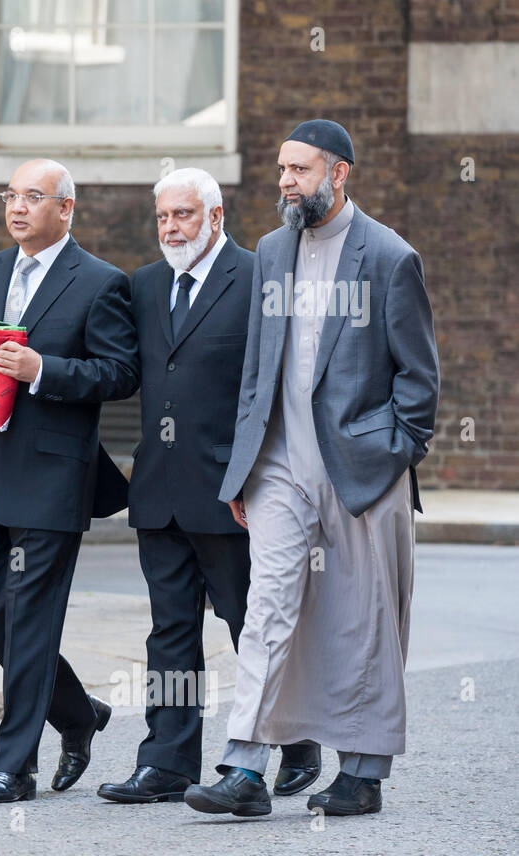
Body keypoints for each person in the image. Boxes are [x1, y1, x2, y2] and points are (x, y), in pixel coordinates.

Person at [185, 120, 440, 818]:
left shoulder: (390, 257)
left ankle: (361, 771)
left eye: (299, 169)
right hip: (277, 469)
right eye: (281, 169)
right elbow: (257, 368)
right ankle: (244, 767)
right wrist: (243, 469)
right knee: (267, 610)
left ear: (340, 173)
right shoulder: (271, 251)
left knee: (361, 619)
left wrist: (390, 454)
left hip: (362, 470)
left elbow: (419, 384)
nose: (286, 181)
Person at [96, 168, 321, 806]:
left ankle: (296, 742)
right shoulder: (143, 284)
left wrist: (260, 477)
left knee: (253, 623)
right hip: (159, 491)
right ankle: (167, 762)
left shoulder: (257, 276)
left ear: (216, 217)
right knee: (169, 632)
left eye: (184, 216)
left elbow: (280, 386)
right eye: (163, 217)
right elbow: (118, 368)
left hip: (235, 492)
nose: (171, 228)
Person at [0, 158, 139, 803]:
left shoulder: (101, 282)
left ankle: (13, 767)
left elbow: (118, 373)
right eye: (11, 195)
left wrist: (42, 369)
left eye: (33, 196)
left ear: (66, 208)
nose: (17, 206)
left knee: (30, 616)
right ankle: (78, 714)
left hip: (54, 476)